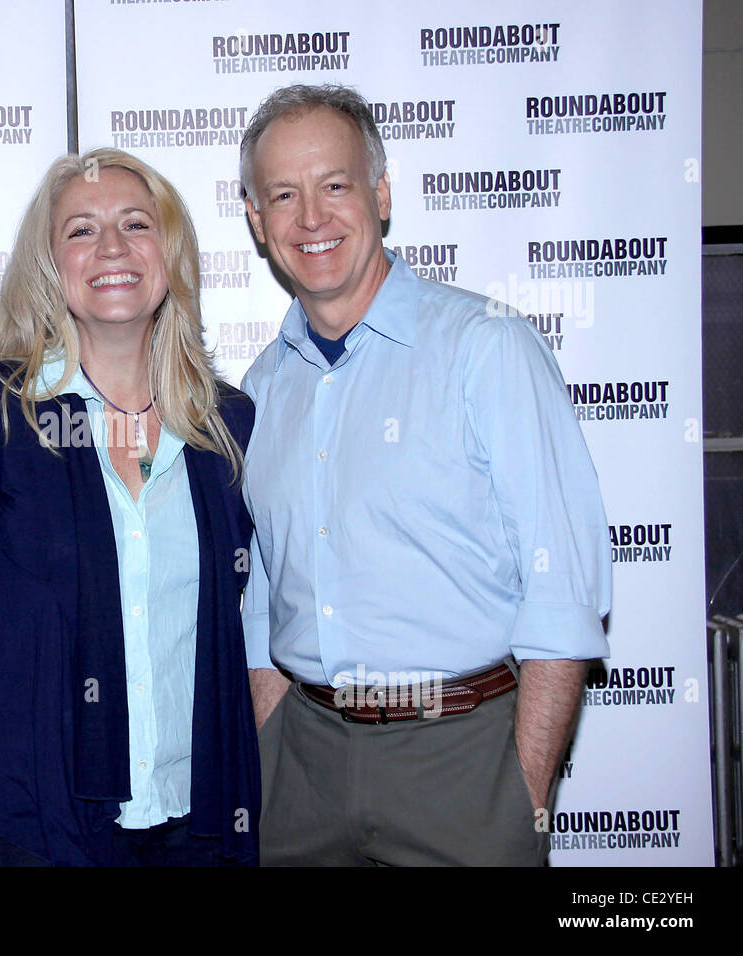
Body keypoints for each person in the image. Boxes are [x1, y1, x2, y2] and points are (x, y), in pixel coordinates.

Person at [239, 84, 612, 866]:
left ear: (380, 195)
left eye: (335, 184)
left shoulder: (487, 347)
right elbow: (260, 599)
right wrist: (272, 745)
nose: (311, 217)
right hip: (300, 772)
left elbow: (564, 589)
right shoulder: (264, 386)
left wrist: (524, 798)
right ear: (256, 219)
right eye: (283, 194)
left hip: (464, 769)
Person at [0, 148, 260, 866]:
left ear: (168, 253)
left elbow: (246, 614)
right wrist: (15, 738)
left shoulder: (226, 425)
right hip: (44, 819)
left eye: (136, 224)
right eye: (80, 230)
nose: (112, 247)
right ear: (48, 263)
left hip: (198, 814)